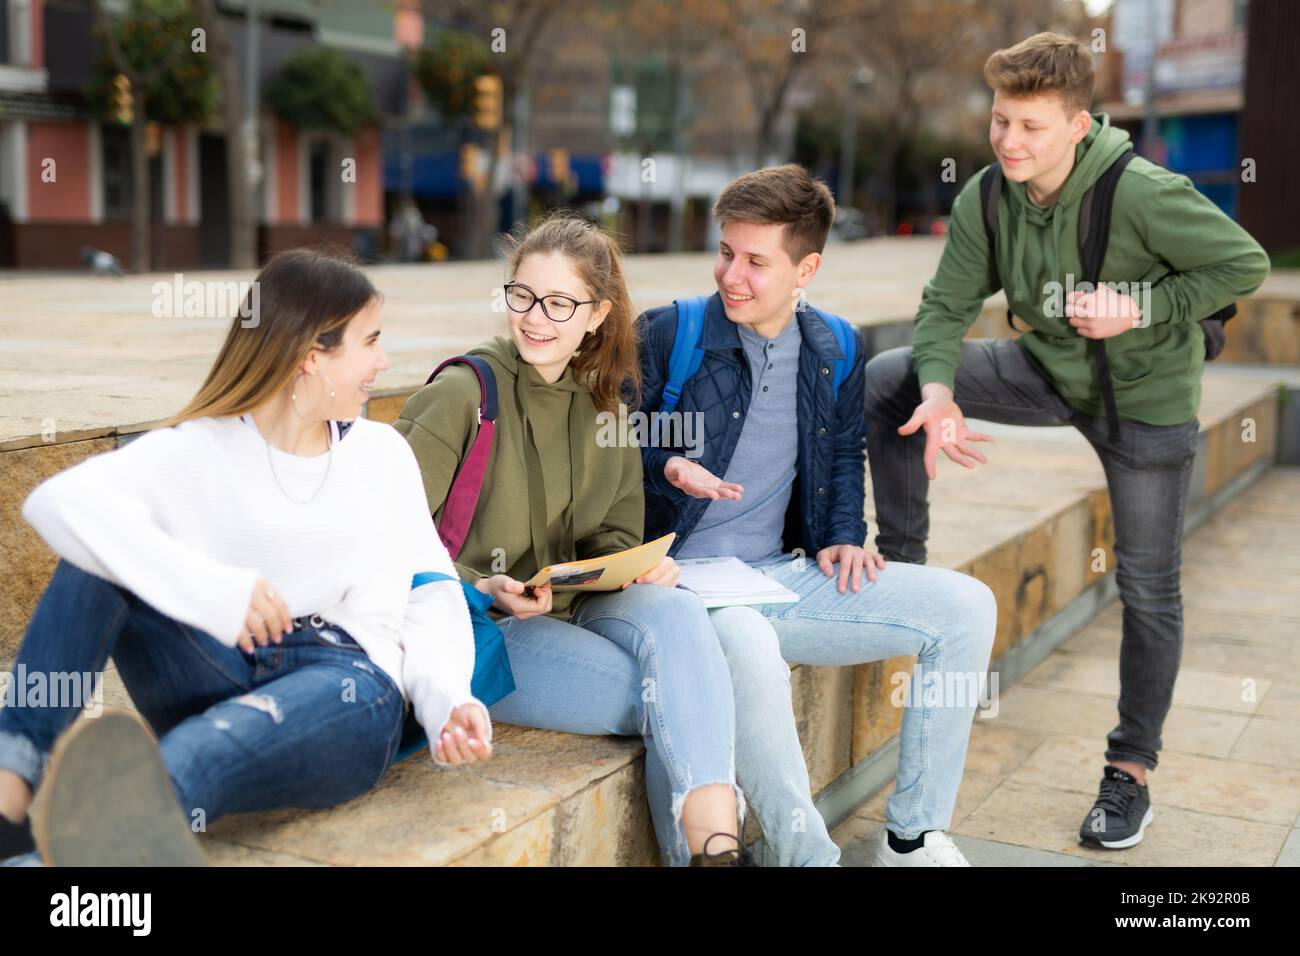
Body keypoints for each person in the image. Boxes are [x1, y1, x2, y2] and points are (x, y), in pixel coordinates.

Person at [862, 33, 1270, 849]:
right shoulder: (989, 195)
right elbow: (946, 304)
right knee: (889, 378)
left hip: (1143, 402)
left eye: (1031, 127)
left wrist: (1140, 307)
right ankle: (904, 574)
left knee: (1147, 588)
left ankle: (1131, 772)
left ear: (1078, 126)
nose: (1009, 141)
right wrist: (940, 391)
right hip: (1044, 369)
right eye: (1000, 122)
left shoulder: (1143, 192)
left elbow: (1246, 263)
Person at [0, 249, 490, 867]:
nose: (384, 362)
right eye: (370, 341)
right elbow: (59, 502)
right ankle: (8, 796)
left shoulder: (380, 455)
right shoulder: (203, 446)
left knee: (203, 751)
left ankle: (118, 827)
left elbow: (429, 589)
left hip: (348, 688)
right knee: (97, 557)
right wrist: (216, 592)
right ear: (311, 355)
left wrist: (447, 699)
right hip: (217, 667)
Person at [638, 164, 997, 866]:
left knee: (967, 607)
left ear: (807, 268)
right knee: (748, 642)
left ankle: (913, 837)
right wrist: (666, 465)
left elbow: (842, 450)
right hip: (674, 586)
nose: (731, 275)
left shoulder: (836, 347)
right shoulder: (668, 333)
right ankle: (806, 855)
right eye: (725, 252)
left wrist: (842, 535)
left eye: (755, 261)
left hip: (775, 576)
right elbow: (604, 447)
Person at [393, 213, 749, 866]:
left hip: (570, 604)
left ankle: (714, 850)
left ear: (598, 315)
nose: (535, 318)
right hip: (479, 625)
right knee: (677, 695)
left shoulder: (604, 405)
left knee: (676, 612)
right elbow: (386, 539)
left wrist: (634, 567)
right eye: (522, 296)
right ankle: (717, 848)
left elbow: (614, 530)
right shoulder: (463, 394)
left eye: (559, 303)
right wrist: (482, 583)